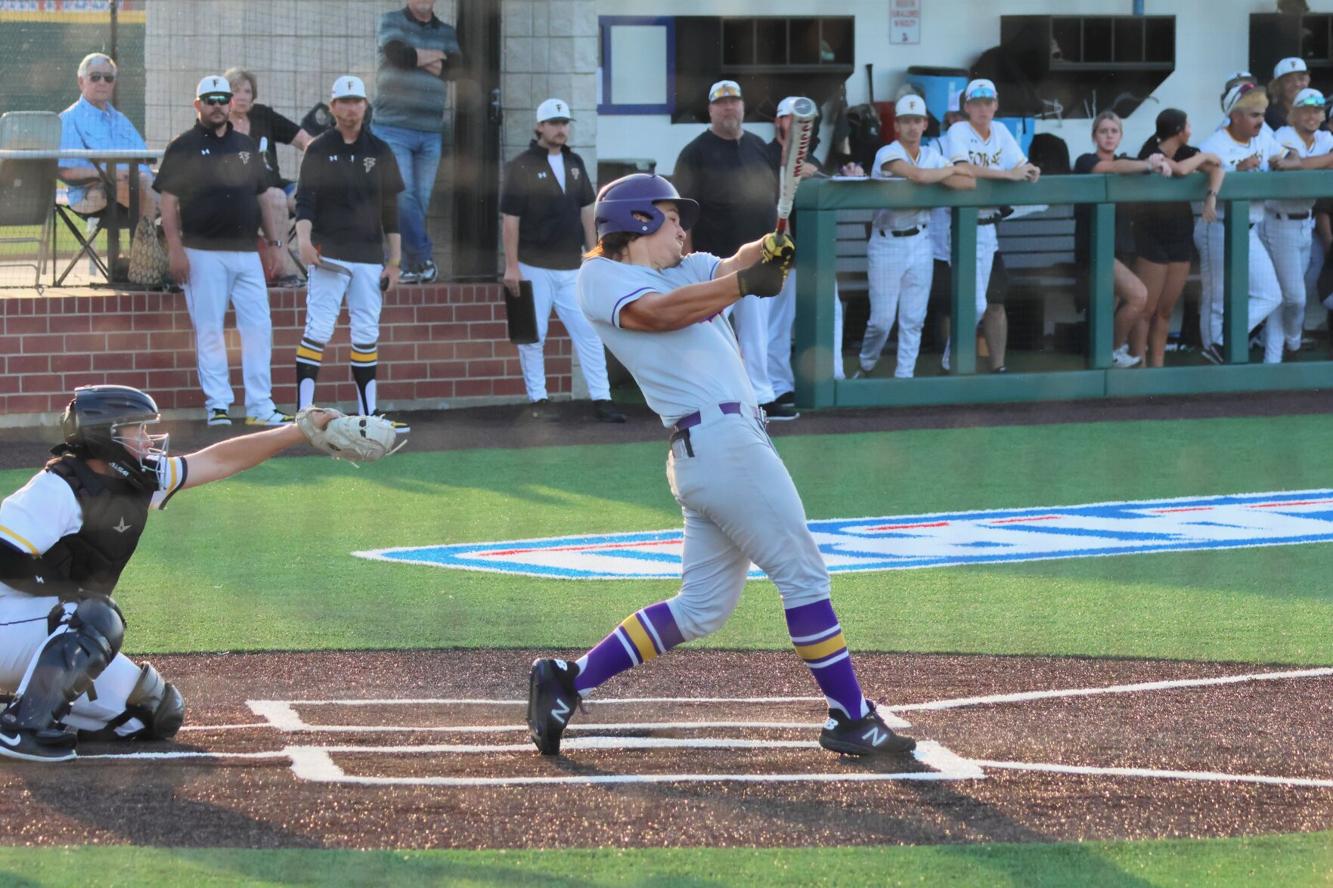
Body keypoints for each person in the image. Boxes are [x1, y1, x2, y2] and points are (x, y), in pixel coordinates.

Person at [526, 174, 916, 760]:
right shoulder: (601, 274)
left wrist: (768, 250)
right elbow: (659, 315)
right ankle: (850, 715)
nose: (683, 227)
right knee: (804, 574)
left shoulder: (684, 268)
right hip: (720, 442)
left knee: (702, 608)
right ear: (636, 221)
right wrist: (743, 283)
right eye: (672, 216)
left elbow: (737, 262)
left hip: (719, 446)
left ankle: (567, 680)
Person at [0, 385, 339, 762]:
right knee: (95, 616)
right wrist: (64, 594)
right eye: (136, 430)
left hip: (38, 633)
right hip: (10, 628)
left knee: (152, 711)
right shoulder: (56, 488)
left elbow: (220, 460)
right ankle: (21, 728)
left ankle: (20, 704)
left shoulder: (137, 478)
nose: (148, 439)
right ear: (105, 436)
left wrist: (301, 431)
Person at [155, 75, 289, 428]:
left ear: (231, 104)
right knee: (210, 329)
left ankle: (260, 406)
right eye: (209, 99)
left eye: (222, 99)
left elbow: (262, 196)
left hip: (247, 253)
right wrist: (175, 250)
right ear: (197, 105)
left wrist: (274, 245)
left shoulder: (246, 145)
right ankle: (218, 405)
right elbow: (168, 202)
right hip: (201, 253)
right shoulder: (182, 146)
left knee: (259, 327)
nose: (217, 105)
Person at [672, 80, 795, 420]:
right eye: (722, 103)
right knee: (710, 334)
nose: (729, 108)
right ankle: (708, 397)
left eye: (735, 102)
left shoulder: (757, 147)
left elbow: (773, 200)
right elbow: (682, 214)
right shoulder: (695, 152)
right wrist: (685, 260)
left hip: (756, 260)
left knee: (757, 334)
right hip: (713, 263)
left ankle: (761, 396)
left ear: (743, 107)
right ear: (711, 109)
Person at [500, 98, 625, 423]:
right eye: (554, 123)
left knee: (589, 332)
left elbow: (587, 211)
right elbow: (510, 219)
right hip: (532, 265)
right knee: (533, 335)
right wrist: (511, 265)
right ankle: (537, 399)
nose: (561, 128)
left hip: (572, 266)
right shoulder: (521, 165)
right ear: (539, 126)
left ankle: (602, 398)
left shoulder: (575, 163)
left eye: (564, 123)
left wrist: (593, 254)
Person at [293, 76, 407, 430]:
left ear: (365, 105)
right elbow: (305, 200)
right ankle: (302, 416)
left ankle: (368, 415)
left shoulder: (381, 150)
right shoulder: (319, 148)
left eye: (357, 101)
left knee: (366, 332)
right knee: (319, 328)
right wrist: (305, 241)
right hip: (331, 254)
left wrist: (395, 261)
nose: (351, 108)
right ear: (332, 108)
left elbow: (391, 209)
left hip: (370, 256)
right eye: (344, 102)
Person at [858, 94, 974, 379]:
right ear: (896, 125)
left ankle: (904, 378)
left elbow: (967, 182)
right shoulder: (887, 152)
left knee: (913, 319)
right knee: (881, 320)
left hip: (920, 240)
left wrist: (948, 172)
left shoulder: (932, 155)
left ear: (924, 125)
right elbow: (918, 176)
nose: (912, 127)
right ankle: (866, 364)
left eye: (917, 121)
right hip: (886, 241)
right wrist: (951, 169)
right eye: (905, 121)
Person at [1194, 82, 1296, 364]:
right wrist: (1237, 169)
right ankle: (1216, 361)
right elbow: (1207, 177)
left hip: (1250, 229)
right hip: (1218, 226)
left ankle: (1219, 346)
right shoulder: (1215, 143)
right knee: (1217, 301)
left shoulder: (1264, 136)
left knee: (1270, 295)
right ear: (1235, 115)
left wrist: (1288, 161)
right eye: (1253, 114)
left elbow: (1287, 156)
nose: (1260, 119)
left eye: (1262, 113)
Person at [945, 79, 1041, 373]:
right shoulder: (958, 130)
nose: (983, 108)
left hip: (989, 228)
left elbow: (1021, 164)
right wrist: (1008, 175)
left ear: (996, 105)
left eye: (988, 103)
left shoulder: (999, 131)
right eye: (977, 103)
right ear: (967, 107)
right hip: (961, 226)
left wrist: (1031, 170)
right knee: (973, 304)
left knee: (989, 301)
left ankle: (979, 365)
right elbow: (963, 167)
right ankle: (953, 362)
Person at [373, 0, 461, 285]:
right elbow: (398, 54)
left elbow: (456, 70)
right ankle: (422, 258)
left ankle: (406, 267)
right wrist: (436, 58)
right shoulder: (391, 21)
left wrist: (416, 56)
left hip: (430, 132)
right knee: (403, 195)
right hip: (392, 128)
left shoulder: (447, 31)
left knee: (417, 203)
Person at [1130, 109, 1224, 368]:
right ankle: (1139, 365)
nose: (1190, 129)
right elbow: (1181, 170)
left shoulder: (1186, 150)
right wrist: (1204, 155)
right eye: (1188, 125)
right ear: (1179, 130)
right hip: (1152, 235)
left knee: (1165, 309)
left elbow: (1218, 169)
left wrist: (1211, 196)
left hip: (1180, 234)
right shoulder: (1151, 151)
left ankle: (1158, 366)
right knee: (1146, 309)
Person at [1072, 111, 1165, 369]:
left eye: (1114, 131)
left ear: (1121, 136)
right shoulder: (1085, 160)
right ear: (1094, 136)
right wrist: (1148, 163)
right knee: (1138, 296)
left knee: (1111, 308)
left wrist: (1159, 162)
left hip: (1122, 249)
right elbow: (1108, 167)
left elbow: (1154, 166)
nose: (1109, 136)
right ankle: (1110, 351)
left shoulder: (1130, 165)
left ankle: (1105, 358)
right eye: (1104, 131)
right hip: (1094, 251)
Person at [224, 67, 314, 287]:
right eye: (236, 91)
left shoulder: (263, 115)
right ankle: (280, 269)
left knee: (312, 197)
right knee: (274, 198)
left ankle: (323, 265)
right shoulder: (219, 122)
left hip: (275, 184)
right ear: (226, 96)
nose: (243, 96)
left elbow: (305, 140)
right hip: (239, 194)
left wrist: (318, 158)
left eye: (247, 91)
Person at [1262, 89, 1333, 359]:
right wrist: (1304, 163)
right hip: (1278, 222)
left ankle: (1273, 359)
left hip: (1307, 224)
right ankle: (1292, 342)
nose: (1312, 115)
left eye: (1317, 110)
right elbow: (1286, 160)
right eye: (1305, 110)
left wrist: (1302, 163)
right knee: (1294, 297)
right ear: (1294, 113)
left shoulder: (1325, 137)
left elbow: (1300, 163)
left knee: (1286, 296)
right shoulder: (1283, 134)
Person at [57, 52, 157, 223]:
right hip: (90, 193)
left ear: (113, 83)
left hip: (136, 183)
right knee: (140, 184)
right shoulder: (68, 119)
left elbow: (145, 160)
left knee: (179, 187)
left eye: (108, 78)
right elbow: (67, 171)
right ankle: (148, 242)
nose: (102, 82)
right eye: (95, 77)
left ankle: (161, 241)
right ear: (81, 82)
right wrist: (113, 173)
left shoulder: (121, 120)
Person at [1266, 57, 1311, 132]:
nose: (1297, 84)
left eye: (1301, 78)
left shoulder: (1315, 110)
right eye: (1288, 80)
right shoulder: (1270, 115)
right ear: (1277, 86)